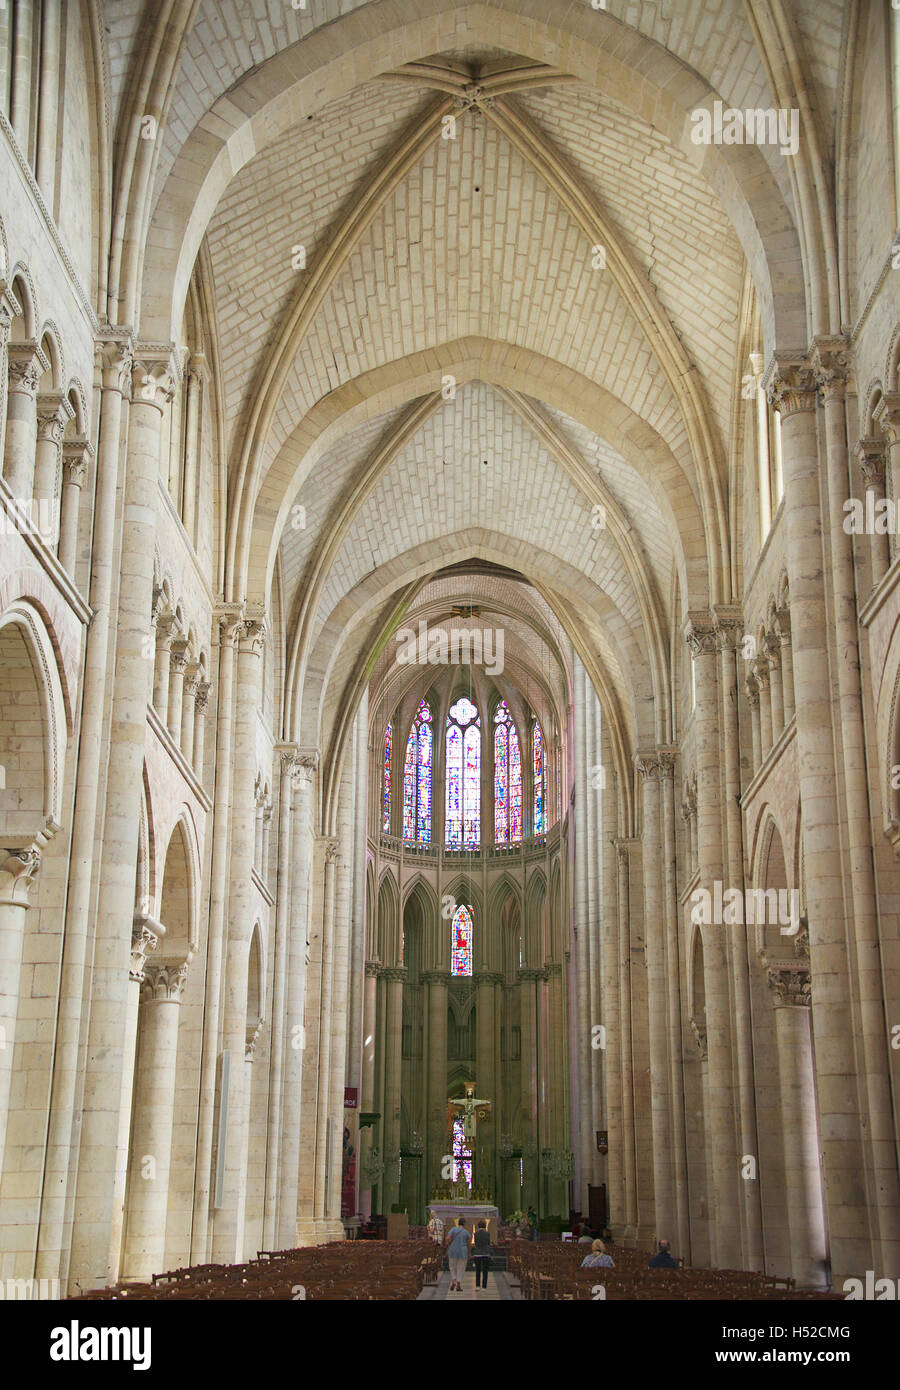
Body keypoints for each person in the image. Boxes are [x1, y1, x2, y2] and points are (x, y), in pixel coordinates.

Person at [447, 1218, 471, 1291]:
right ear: (464, 1224)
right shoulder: (466, 1232)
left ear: (458, 1223)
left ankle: (454, 1280)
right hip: (463, 1251)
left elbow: (447, 1238)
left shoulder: (453, 1229)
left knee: (452, 1266)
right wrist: (469, 1253)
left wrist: (449, 1245)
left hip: (453, 1250)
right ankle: (458, 1284)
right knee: (461, 1268)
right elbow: (469, 1243)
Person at [473, 1219, 492, 1290]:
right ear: (485, 1226)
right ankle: (484, 1286)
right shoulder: (487, 1233)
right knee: (485, 1270)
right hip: (485, 1253)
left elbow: (475, 1243)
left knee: (478, 1270)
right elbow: (488, 1243)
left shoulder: (476, 1233)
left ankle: (477, 1286)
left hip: (477, 1253)